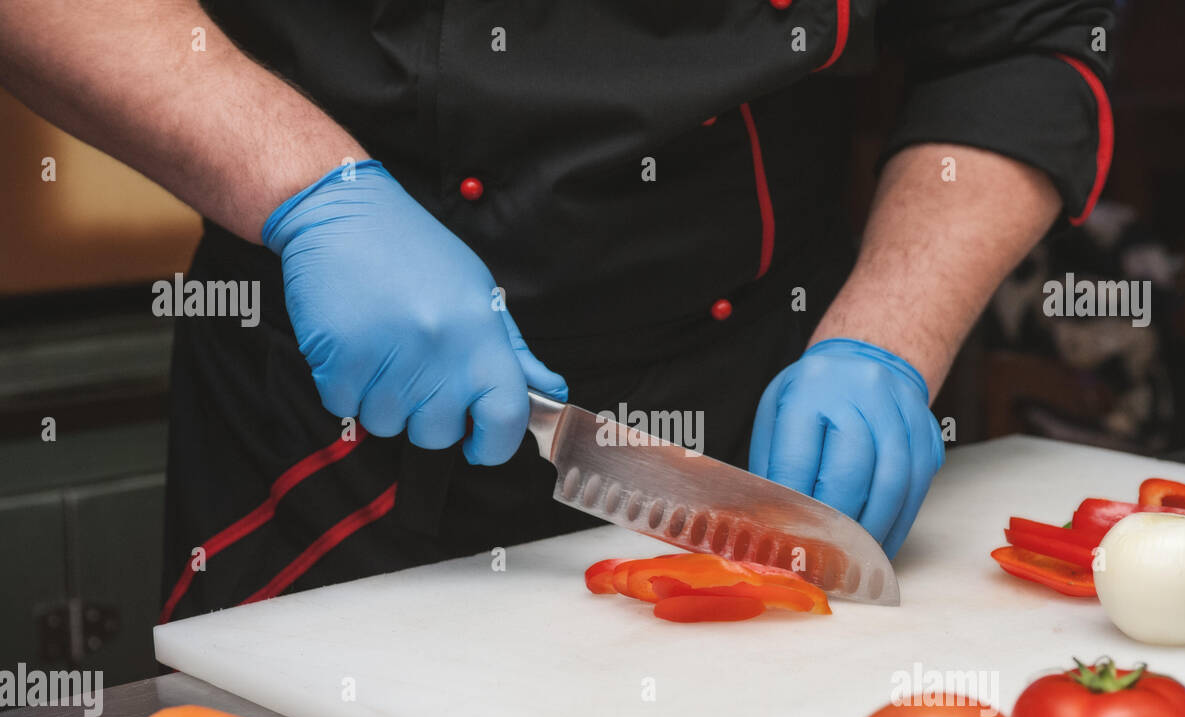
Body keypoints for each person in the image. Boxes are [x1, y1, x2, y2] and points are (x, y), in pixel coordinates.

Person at [0, 1, 1114, 621]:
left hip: (755, 435)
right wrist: (309, 192)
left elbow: (1022, 37)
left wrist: (886, 339)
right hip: (325, 433)